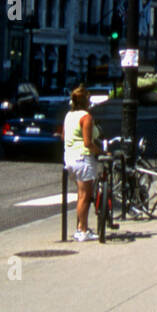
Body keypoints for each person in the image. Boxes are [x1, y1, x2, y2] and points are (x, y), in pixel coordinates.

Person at [63, 86, 102, 242]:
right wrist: (99, 151)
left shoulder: (68, 115)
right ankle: (83, 230)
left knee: (81, 195)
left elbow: (63, 137)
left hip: (70, 158)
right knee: (85, 197)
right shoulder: (86, 117)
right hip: (83, 159)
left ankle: (80, 228)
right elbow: (87, 143)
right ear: (86, 101)